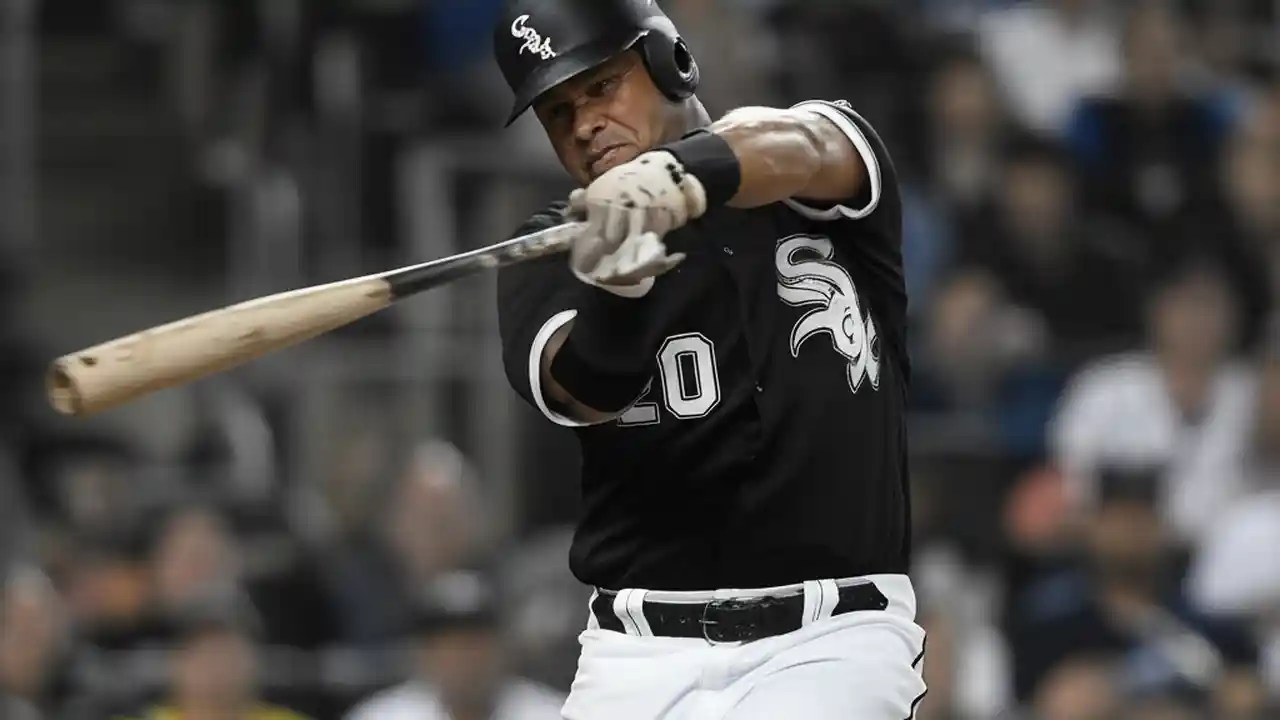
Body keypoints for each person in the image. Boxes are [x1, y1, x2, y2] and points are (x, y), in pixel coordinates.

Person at [492, 1, 924, 718]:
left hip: (831, 641)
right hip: (636, 655)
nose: (584, 124)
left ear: (671, 61)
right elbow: (578, 392)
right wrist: (615, 290)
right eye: (558, 111)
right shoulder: (555, 247)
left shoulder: (814, 187)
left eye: (601, 86)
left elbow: (808, 147)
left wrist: (677, 176)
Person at [344, 569, 564, 720]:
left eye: (475, 644)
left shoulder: (554, 714)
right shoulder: (382, 716)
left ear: (504, 650)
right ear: (424, 655)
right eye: (449, 647)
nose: (463, 660)